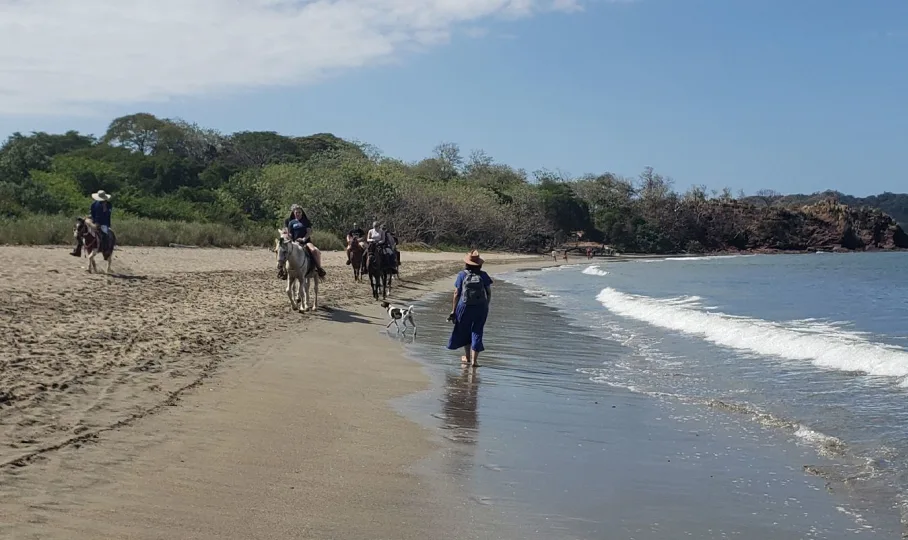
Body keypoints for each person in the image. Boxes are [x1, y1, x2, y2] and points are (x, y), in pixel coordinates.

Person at [446, 250, 493, 368]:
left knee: (464, 330)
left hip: (464, 306)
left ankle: (467, 357)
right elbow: (488, 293)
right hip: (481, 307)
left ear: (466, 263)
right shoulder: (484, 275)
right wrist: (486, 305)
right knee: (477, 331)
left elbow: (457, 293)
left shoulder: (462, 275)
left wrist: (453, 310)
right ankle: (474, 361)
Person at [278, 204, 326, 279]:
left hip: (306, 242)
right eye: (296, 212)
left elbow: (309, 232)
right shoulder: (291, 222)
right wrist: (288, 237)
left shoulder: (306, 221)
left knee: (314, 250)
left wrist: (304, 239)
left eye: (299, 212)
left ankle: (319, 268)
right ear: (294, 213)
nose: (298, 214)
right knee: (284, 251)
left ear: (302, 213)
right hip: (295, 242)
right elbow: (290, 233)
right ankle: (282, 270)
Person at [72, 190, 112, 257]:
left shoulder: (108, 205)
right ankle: (78, 250)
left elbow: (107, 215)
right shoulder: (94, 204)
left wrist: (104, 209)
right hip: (94, 221)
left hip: (103, 223)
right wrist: (87, 217)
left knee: (105, 234)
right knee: (80, 229)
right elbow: (92, 214)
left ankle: (105, 250)